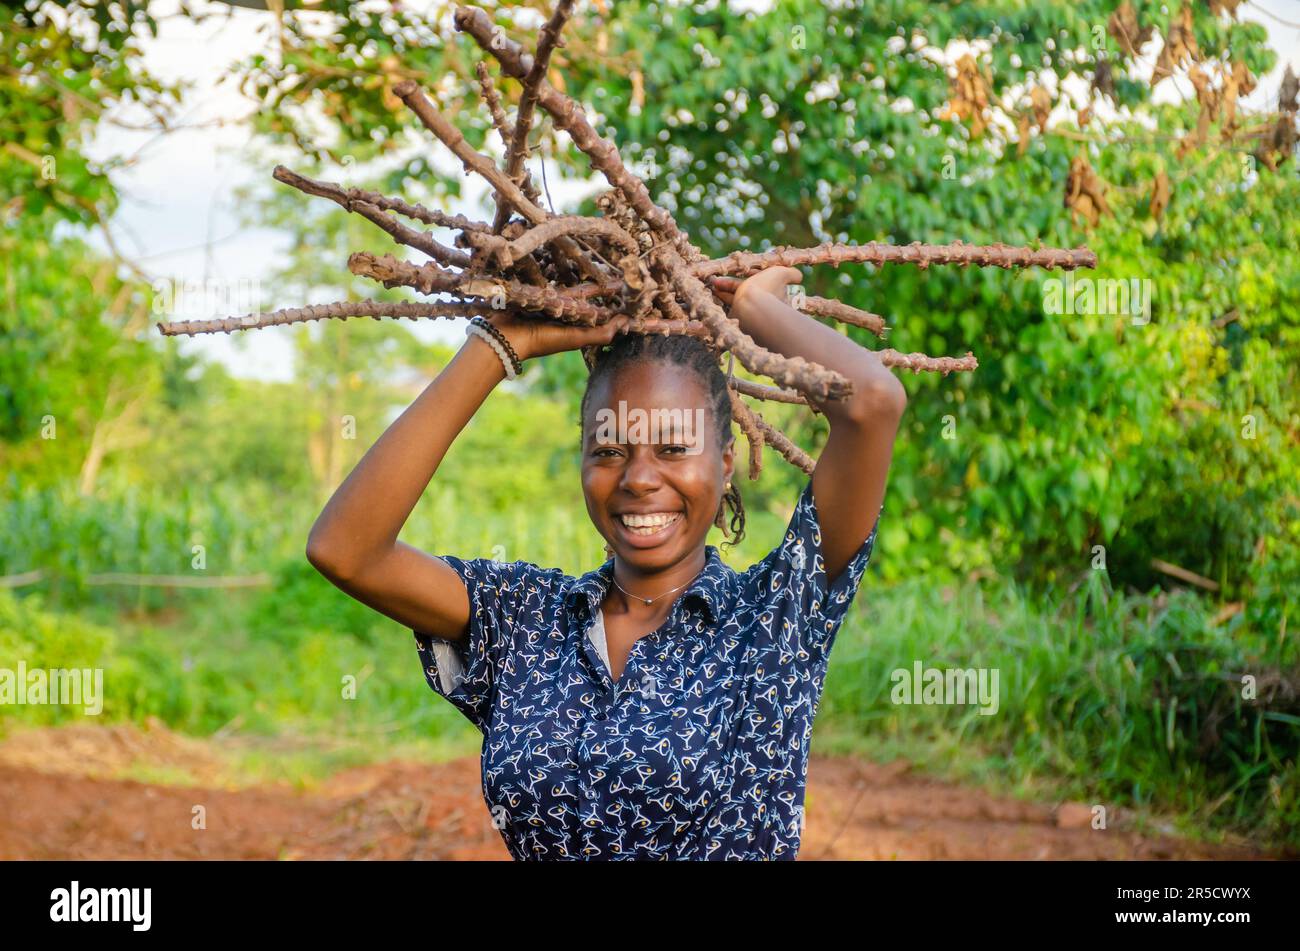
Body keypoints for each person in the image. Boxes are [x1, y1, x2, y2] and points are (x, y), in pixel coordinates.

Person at [306, 265, 907, 859]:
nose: (640, 478)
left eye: (673, 448)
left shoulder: (775, 619)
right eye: (610, 449)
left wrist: (755, 311)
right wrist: (498, 347)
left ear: (725, 463)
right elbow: (346, 551)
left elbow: (873, 404)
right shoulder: (524, 621)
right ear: (582, 462)